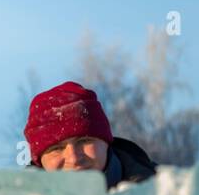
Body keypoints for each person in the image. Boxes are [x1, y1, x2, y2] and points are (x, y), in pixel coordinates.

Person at [24, 81, 157, 189]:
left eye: (84, 141)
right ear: (39, 162)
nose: (74, 158)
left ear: (106, 142)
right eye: (56, 148)